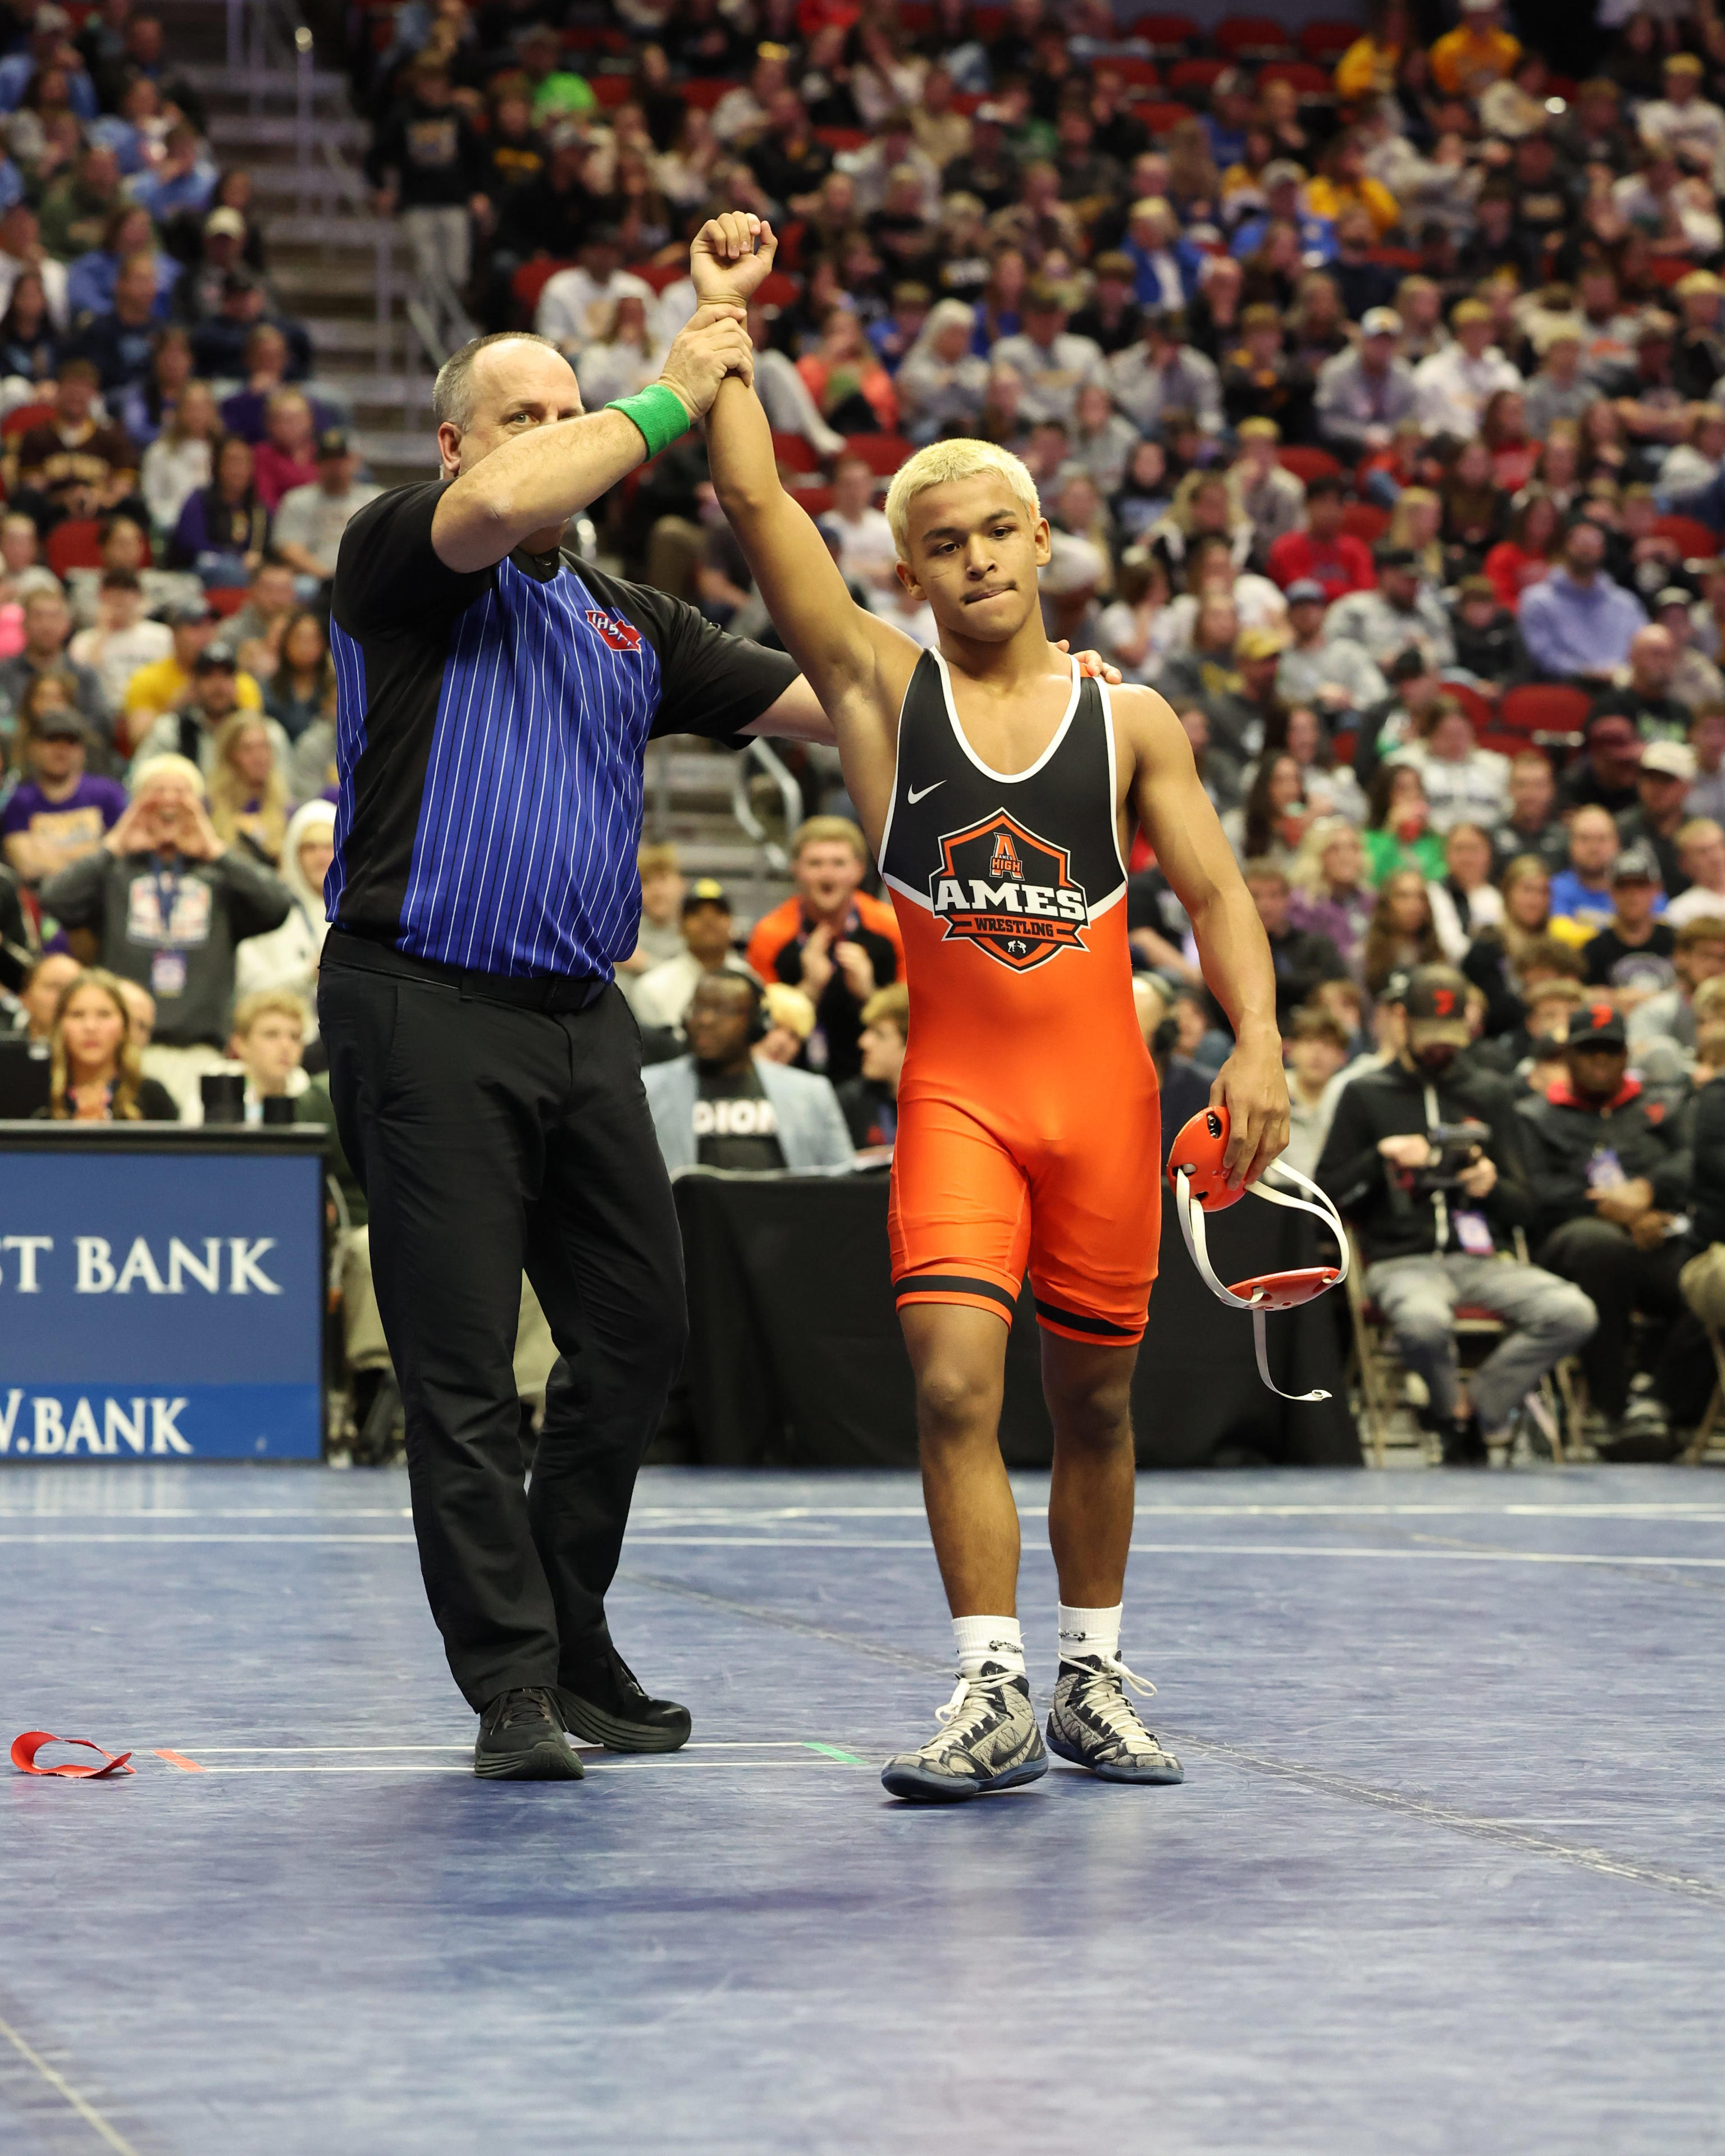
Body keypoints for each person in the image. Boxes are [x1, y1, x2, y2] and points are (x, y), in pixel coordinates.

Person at [700, 209, 1286, 1803]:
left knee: (1093, 1400)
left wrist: (1257, 1039)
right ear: (913, 568)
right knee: (955, 1382)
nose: (975, 559)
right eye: (943, 543)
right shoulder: (885, 694)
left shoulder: (1133, 715)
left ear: (1042, 541)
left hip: (1106, 1106)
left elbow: (1221, 897)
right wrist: (723, 323)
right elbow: (753, 498)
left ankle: (1093, 1674)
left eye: (998, 533)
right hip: (959, 1099)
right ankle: (991, 1690)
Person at [313, 304, 873, 1784]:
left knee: (637, 1337)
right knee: (461, 1371)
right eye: (523, 412)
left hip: (576, 1018)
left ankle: (567, 1632)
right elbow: (501, 507)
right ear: (452, 444)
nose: (555, 435)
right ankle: (508, 1684)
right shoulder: (402, 551)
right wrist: (668, 395)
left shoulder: (628, 617)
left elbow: (841, 704)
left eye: (572, 410)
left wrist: (1028, 706)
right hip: (420, 1004)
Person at [1317, 965, 1594, 1462]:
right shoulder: (1366, 1094)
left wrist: (1491, 1185)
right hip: (1402, 1260)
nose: (1443, 1047)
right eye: (1431, 1034)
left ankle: (1473, 1411)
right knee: (1423, 1321)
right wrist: (1381, 1157)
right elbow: (1328, 1197)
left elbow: (1528, 1207)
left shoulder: (1489, 1093)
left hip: (1484, 1258)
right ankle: (1454, 1417)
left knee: (1572, 1312)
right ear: (1402, 1021)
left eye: (1453, 1036)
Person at [39, 752, 290, 1118]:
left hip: (204, 1053)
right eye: (157, 793)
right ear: (136, 804)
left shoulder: (221, 877)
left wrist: (215, 849)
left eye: (182, 793)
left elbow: (277, 906)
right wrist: (116, 843)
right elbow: (55, 899)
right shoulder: (114, 874)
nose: (170, 802)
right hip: (126, 1055)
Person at [1517, 1001, 1695, 1458]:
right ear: (1568, 1056)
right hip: (1570, 1242)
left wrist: (1650, 1194)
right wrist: (1611, 1209)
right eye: (1589, 1050)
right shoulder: (1534, 1116)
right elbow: (1535, 1192)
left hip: (1655, 1234)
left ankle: (1660, 1402)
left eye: (1610, 1051)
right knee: (1602, 1249)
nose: (1600, 1061)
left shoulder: (1660, 1107)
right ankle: (1612, 1408)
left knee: (1703, 1273)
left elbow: (1692, 1160)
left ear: (1625, 1056)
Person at [642, 969, 854, 1173]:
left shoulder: (812, 1093)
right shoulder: (646, 1091)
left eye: (723, 1010)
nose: (705, 1020)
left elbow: (843, 1182)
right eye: (698, 1008)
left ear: (757, 1023)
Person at [744, 815, 903, 1082]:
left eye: (838, 863)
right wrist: (809, 988)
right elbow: (759, 1031)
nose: (827, 875)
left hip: (872, 1083)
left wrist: (869, 994)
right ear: (796, 869)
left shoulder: (891, 927)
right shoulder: (770, 933)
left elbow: (913, 1025)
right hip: (790, 1076)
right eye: (815, 864)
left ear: (859, 870)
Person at [0, 690, 123, 884]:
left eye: (71, 741)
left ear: (83, 750)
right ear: (33, 748)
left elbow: (121, 855)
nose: (61, 749)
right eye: (51, 740)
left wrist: (47, 855)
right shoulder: (20, 800)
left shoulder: (108, 794)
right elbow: (27, 866)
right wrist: (94, 851)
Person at [234, 797, 334, 1024]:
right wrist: (309, 973)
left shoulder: (359, 917)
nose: (320, 857)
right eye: (310, 847)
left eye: (329, 846)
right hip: (285, 1041)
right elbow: (250, 991)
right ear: (292, 854)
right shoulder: (268, 913)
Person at [1519, 519, 1649, 685]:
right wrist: (1585, 673)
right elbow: (1541, 655)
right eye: (1581, 543)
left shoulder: (1626, 603)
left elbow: (1644, 646)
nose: (1587, 549)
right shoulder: (1537, 601)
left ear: (1603, 551)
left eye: (1593, 544)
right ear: (1566, 547)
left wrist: (1620, 673)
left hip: (1621, 688)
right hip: (1565, 689)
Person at [42, 963, 177, 1121]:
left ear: (124, 1027)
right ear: (60, 1026)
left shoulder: (153, 1097)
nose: (90, 1027)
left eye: (104, 1015)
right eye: (77, 1015)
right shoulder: (35, 1094)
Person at [629, 876, 759, 1031]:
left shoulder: (750, 982)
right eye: (697, 914)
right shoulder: (652, 988)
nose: (708, 920)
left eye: (718, 912)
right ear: (681, 926)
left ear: (732, 922)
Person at [268, 428, 381, 592]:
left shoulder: (376, 499)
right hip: (314, 578)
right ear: (318, 463)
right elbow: (289, 549)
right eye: (328, 459)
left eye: (341, 458)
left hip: (364, 576)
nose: (335, 466)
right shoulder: (297, 500)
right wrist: (327, 576)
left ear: (355, 461)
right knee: (302, 589)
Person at [1580, 845, 1677, 1003]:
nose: (1632, 894)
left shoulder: (1677, 942)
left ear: (1657, 889)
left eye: (1641, 885)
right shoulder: (1594, 951)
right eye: (1623, 886)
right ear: (1611, 891)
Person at [67, 567, 173, 712]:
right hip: (104, 712)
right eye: (112, 591)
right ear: (101, 596)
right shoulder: (84, 640)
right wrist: (102, 633)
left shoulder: (163, 636)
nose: (119, 596)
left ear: (139, 597)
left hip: (152, 710)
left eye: (127, 591)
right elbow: (83, 684)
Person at [1615, 741, 1697, 897]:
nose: (1656, 788)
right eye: (1650, 778)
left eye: (1666, 780)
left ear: (1687, 787)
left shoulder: (1700, 837)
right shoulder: (1621, 829)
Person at [837, 979, 908, 1151]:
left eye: (879, 1034)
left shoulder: (938, 1107)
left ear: (910, 1044)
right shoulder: (850, 1100)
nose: (864, 1042)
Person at [223, 984, 308, 1119]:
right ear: (240, 1044)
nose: (286, 1046)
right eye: (271, 1035)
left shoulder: (310, 1095)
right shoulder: (217, 1092)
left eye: (295, 1037)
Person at [1549, 805, 1625, 943]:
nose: (1594, 848)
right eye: (1584, 839)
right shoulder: (1552, 890)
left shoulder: (1639, 887)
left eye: (1602, 839)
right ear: (1570, 844)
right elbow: (1558, 938)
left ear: (1617, 844)